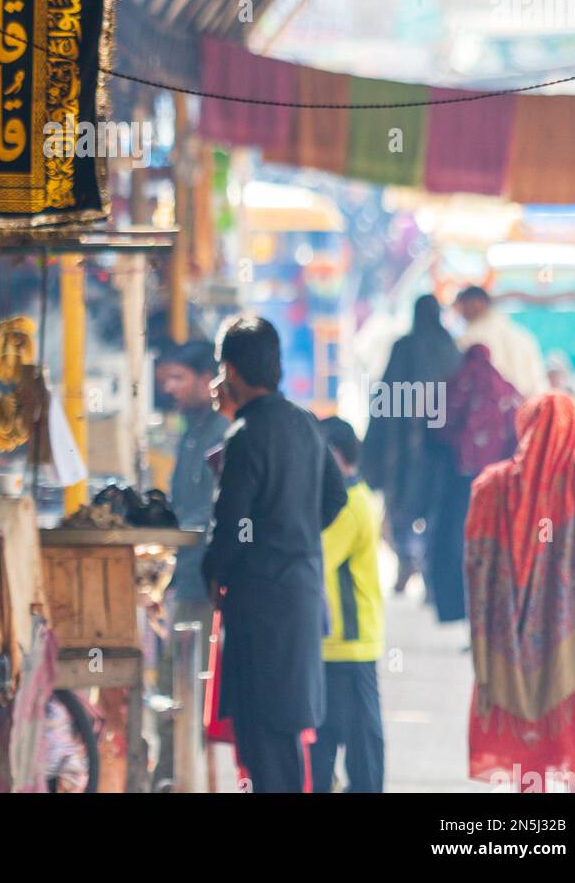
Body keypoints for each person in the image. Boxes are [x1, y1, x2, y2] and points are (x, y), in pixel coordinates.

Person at [201, 315, 348, 793]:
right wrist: (295, 533)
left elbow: (231, 529)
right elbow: (335, 498)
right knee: (285, 733)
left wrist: (215, 572)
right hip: (301, 593)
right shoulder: (305, 423)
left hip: (261, 604)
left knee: (264, 740)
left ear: (232, 370)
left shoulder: (245, 436)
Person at [466, 392, 575, 792]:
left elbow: (477, 574)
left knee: (529, 766)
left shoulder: (490, 488)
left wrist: (487, 649)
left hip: (516, 654)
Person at [155, 341, 228, 785]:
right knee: (173, 688)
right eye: (168, 378)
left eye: (179, 378)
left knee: (190, 692)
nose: (170, 387)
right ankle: (171, 775)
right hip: (182, 576)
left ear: (207, 379)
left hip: (205, 581)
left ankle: (181, 777)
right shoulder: (190, 430)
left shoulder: (221, 432)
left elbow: (212, 514)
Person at [363, 294, 462, 593]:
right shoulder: (450, 348)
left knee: (401, 505)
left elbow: (384, 397)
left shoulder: (404, 347)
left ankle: (407, 560)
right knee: (434, 508)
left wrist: (376, 443)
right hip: (439, 449)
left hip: (402, 448)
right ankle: (430, 574)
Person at [310, 417, 385, 794]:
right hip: (344, 644)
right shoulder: (358, 497)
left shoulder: (348, 506)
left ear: (335, 456)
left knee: (357, 753)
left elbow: (314, 559)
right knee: (338, 745)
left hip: (346, 643)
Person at [427, 343, 521, 624]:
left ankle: (460, 605)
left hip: (461, 478)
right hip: (497, 480)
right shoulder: (505, 388)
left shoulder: (457, 385)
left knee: (458, 536)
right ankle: (490, 608)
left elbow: (437, 427)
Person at [453, 285, 547, 399]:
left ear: (477, 303)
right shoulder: (523, 335)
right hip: (523, 408)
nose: (461, 313)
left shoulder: (468, 339)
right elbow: (539, 384)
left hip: (489, 411)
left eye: (463, 306)